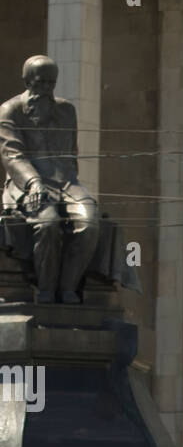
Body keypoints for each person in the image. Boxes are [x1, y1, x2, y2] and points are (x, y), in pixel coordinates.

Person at [0, 55, 101, 304]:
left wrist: (71, 186)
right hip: (26, 184)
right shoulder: (9, 111)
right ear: (27, 81)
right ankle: (45, 291)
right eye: (40, 83)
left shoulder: (67, 111)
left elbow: (70, 153)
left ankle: (67, 289)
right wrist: (34, 183)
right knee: (47, 224)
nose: (46, 89)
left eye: (51, 84)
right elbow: (13, 156)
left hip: (66, 182)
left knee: (90, 223)